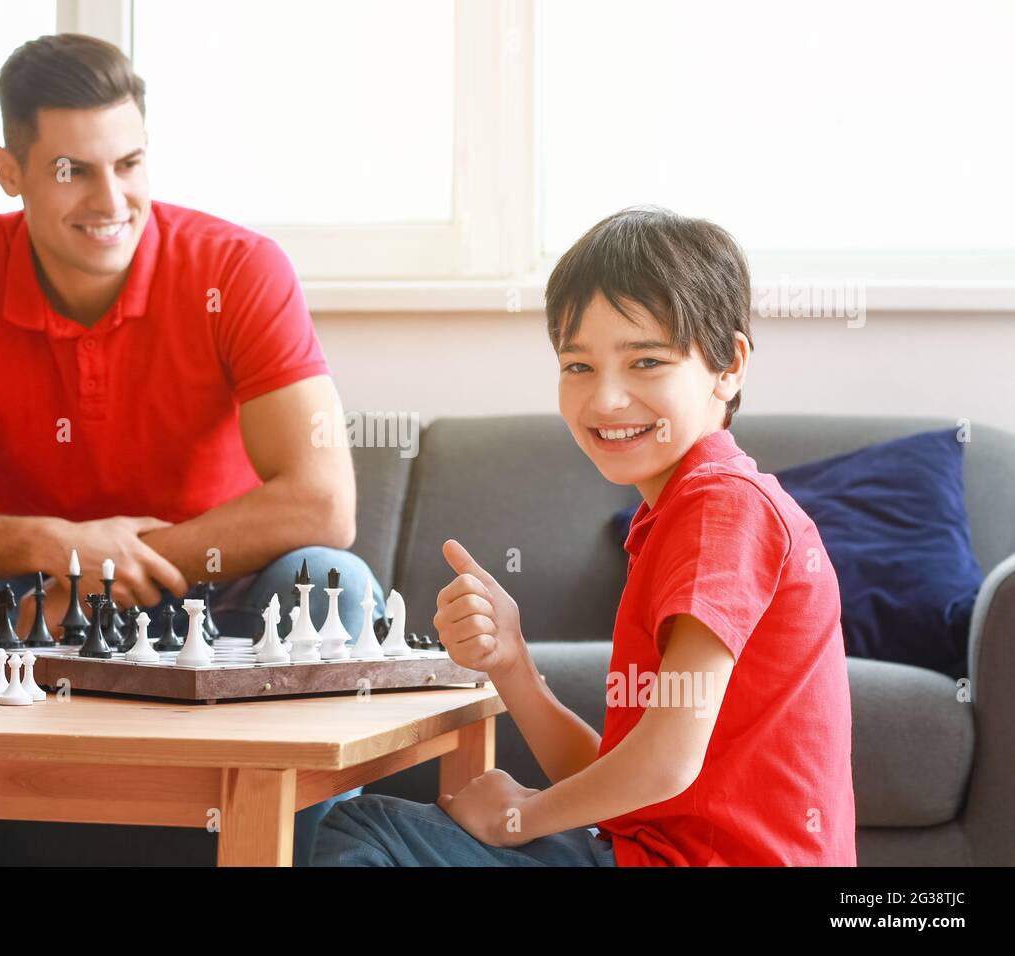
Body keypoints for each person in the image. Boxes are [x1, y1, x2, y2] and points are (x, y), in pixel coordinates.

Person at [0, 33, 380, 867]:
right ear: (11, 172)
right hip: (33, 601)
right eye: (74, 170)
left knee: (336, 580)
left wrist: (100, 574)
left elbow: (325, 503)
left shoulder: (241, 269)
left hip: (216, 601)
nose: (112, 198)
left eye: (130, 163)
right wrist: (52, 548)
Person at [312, 207, 857, 866]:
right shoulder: (685, 512)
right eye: (578, 367)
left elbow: (666, 764)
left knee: (358, 830)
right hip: (648, 852)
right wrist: (512, 661)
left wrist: (521, 817)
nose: (605, 400)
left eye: (646, 362)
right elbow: (628, 783)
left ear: (729, 365)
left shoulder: (721, 509)